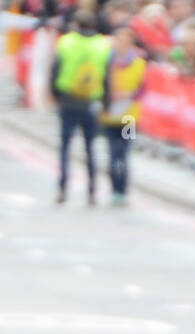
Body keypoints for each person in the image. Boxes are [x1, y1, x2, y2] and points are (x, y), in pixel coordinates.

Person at [51, 8, 112, 205]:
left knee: (65, 148)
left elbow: (55, 70)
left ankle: (62, 188)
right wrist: (106, 103)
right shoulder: (103, 45)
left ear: (76, 25)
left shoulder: (65, 42)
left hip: (68, 100)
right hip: (91, 102)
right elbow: (107, 77)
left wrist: (55, 95)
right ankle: (92, 192)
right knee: (90, 148)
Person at [100, 25, 146, 205]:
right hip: (110, 116)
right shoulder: (106, 61)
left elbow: (143, 89)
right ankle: (114, 189)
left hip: (129, 117)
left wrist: (129, 94)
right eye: (119, 40)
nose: (122, 44)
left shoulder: (139, 63)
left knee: (124, 153)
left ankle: (123, 188)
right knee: (112, 153)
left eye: (126, 41)